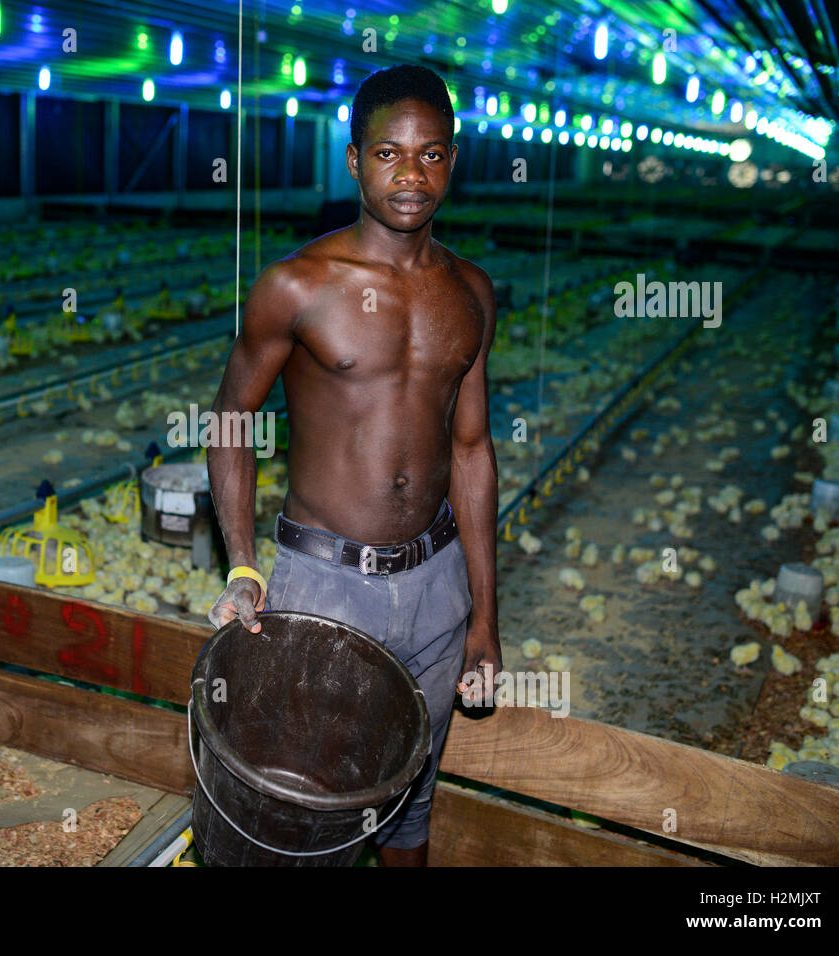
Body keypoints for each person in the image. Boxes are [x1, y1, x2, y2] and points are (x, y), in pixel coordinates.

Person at [205, 64, 501, 867]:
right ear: (352, 161)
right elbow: (229, 418)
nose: (413, 174)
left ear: (453, 160)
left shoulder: (471, 291)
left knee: (409, 800)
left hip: (435, 586)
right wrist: (240, 567)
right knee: (301, 808)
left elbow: (472, 451)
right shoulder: (298, 285)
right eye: (389, 154)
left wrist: (483, 619)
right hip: (325, 588)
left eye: (433, 154)